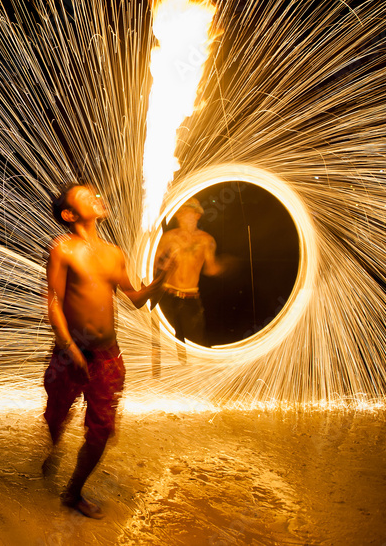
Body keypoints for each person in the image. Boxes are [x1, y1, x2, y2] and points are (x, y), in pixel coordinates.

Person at [43, 183, 168, 519]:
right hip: (68, 352)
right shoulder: (63, 248)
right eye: (85, 196)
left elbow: (136, 299)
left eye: (94, 194)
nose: (95, 197)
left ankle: (73, 492)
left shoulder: (115, 254)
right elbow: (53, 303)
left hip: (107, 355)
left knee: (101, 431)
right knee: (56, 412)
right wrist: (69, 348)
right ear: (69, 214)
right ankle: (53, 446)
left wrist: (159, 281)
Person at [153, 197, 225, 362]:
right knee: (165, 346)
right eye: (181, 212)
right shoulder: (168, 237)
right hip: (167, 297)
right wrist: (164, 263)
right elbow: (153, 264)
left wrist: (225, 266)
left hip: (190, 298)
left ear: (197, 215)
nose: (182, 215)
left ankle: (197, 380)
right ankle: (164, 379)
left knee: (196, 346)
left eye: (187, 211)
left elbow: (211, 269)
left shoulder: (206, 240)